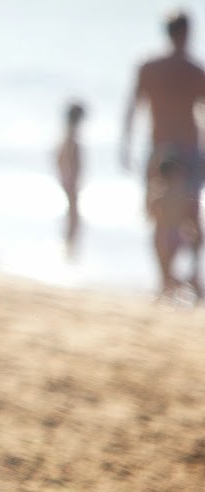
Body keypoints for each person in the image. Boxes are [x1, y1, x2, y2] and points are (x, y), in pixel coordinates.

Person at [121, 9, 205, 298]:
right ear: (187, 33)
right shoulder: (196, 71)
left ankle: (165, 280)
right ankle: (191, 275)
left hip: (159, 147)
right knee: (191, 216)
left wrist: (126, 143)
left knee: (160, 215)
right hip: (189, 148)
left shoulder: (149, 68)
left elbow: (133, 107)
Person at [148, 156, 203, 299]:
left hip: (162, 235)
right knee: (168, 268)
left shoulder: (159, 197)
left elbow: (152, 215)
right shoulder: (184, 196)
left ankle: (172, 288)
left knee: (165, 268)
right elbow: (191, 218)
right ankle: (178, 287)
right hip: (178, 235)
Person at [56, 101, 86, 260]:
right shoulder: (70, 136)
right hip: (70, 181)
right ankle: (68, 251)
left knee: (73, 216)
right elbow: (64, 158)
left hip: (70, 180)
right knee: (73, 216)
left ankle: (70, 249)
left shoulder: (67, 134)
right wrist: (69, 178)